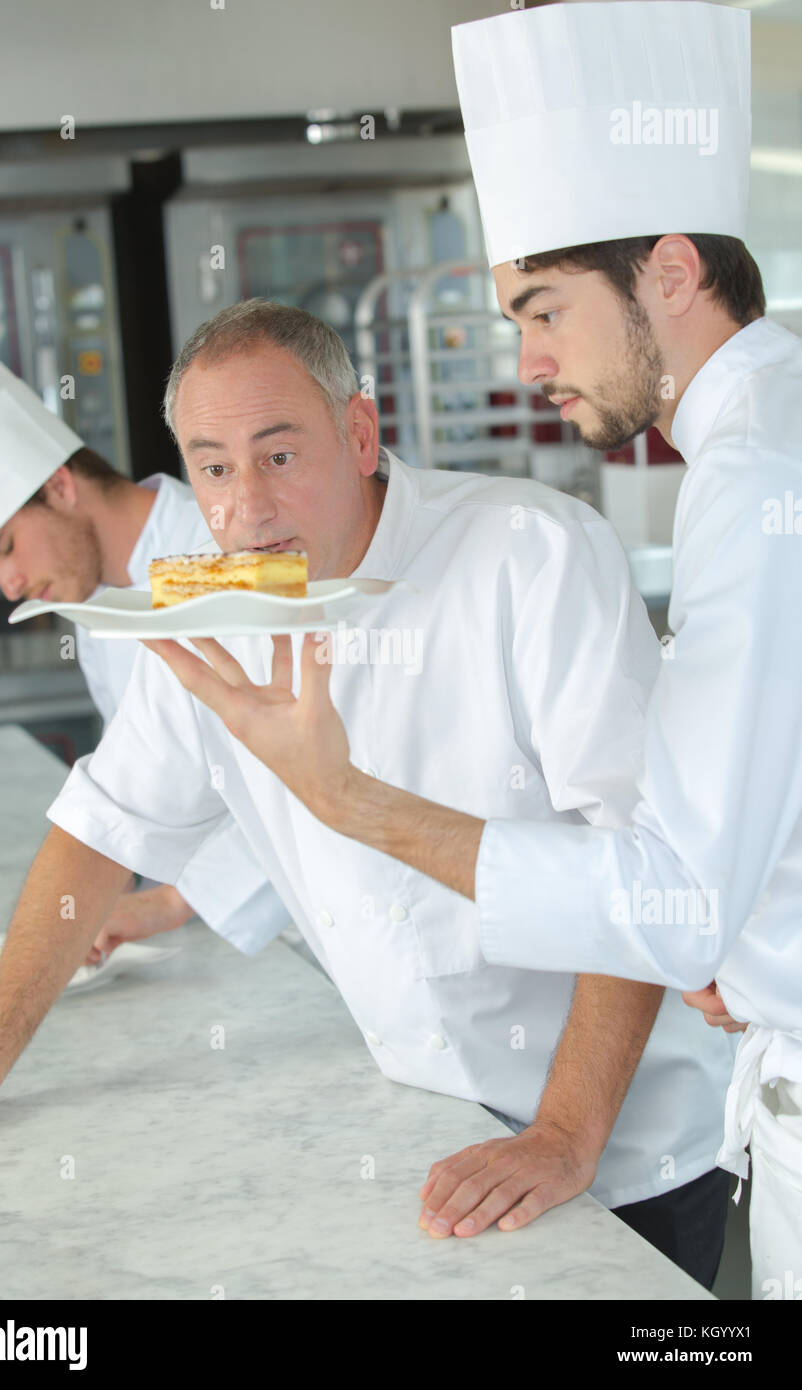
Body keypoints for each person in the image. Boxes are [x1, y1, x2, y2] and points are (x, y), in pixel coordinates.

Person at [177, 4, 802, 1300]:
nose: (526, 359)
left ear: (671, 272)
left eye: (545, 308)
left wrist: (345, 797)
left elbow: (663, 896)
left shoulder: (749, 480)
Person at [0, 299, 737, 1290]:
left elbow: (635, 868)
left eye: (279, 456)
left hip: (618, 1147)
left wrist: (567, 1133)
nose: (246, 508)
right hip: (425, 1126)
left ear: (358, 433)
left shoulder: (531, 552)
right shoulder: (214, 610)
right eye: (213, 467)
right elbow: (100, 831)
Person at [0, 332, 288, 964]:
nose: (10, 586)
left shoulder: (219, 560)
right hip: (198, 946)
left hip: (293, 934)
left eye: (6, 549)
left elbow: (303, 777)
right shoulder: (88, 590)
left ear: (60, 487)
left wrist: (175, 901)